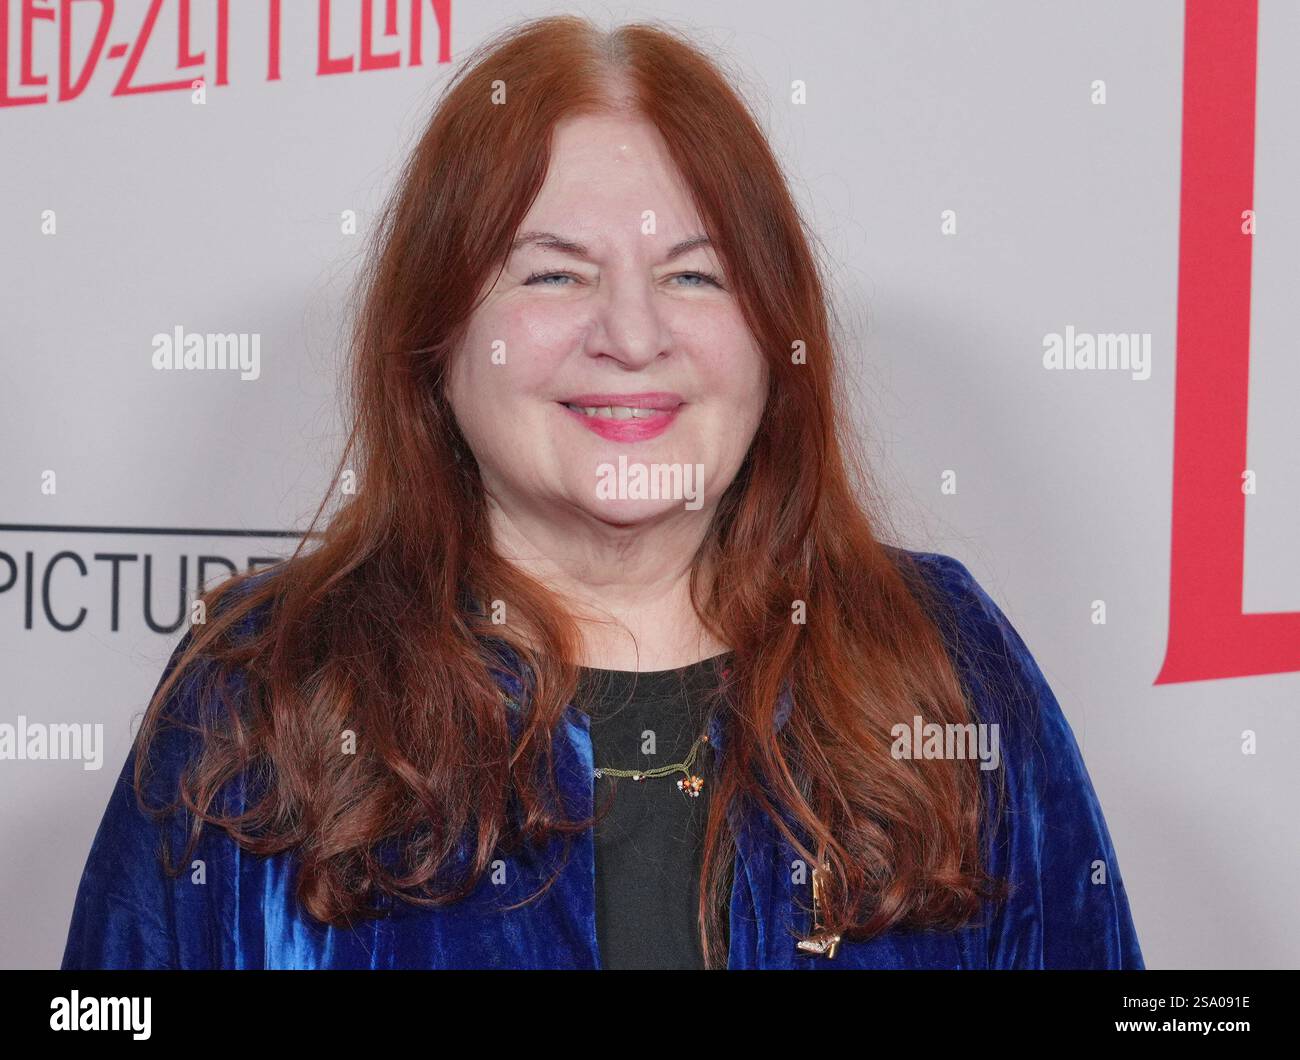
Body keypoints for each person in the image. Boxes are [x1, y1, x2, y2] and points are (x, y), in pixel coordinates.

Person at [60, 15, 1142, 970]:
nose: (632, 335)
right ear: (436, 336)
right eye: (553, 273)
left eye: (693, 273)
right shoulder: (268, 691)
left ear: (774, 333)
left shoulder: (943, 665)